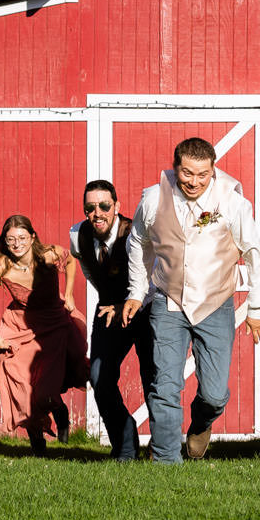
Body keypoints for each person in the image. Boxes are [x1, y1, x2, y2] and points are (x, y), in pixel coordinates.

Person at [120, 139, 260, 462]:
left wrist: (258, 308)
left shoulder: (231, 202)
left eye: (203, 175)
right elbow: (137, 243)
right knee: (164, 385)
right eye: (187, 173)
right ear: (175, 168)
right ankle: (165, 459)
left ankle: (202, 423)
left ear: (213, 170)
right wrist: (137, 291)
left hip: (215, 303)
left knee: (215, 394)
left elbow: (256, 253)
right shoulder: (152, 198)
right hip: (167, 302)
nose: (194, 181)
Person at [0, 214, 88, 452]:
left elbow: (71, 260)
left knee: (45, 390)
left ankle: (59, 411)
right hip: (19, 327)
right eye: (11, 240)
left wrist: (69, 293)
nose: (17, 244)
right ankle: (37, 445)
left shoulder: (49, 254)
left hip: (53, 325)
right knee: (20, 382)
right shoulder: (1, 264)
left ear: (32, 238)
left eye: (21, 238)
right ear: (5, 242)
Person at [68, 179, 151, 461]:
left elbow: (153, 279)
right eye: (90, 208)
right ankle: (125, 445)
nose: (98, 213)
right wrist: (108, 300)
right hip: (107, 313)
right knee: (99, 378)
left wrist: (124, 303)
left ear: (117, 206)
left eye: (104, 205)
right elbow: (90, 272)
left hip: (144, 311)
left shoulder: (135, 233)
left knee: (153, 379)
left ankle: (163, 449)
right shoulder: (77, 235)